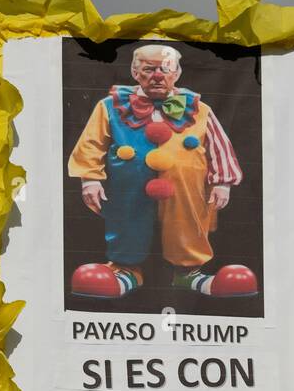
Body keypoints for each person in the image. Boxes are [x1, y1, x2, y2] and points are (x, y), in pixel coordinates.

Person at [67, 43, 257, 299]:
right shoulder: (110, 106)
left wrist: (223, 182)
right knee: (126, 221)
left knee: (188, 222)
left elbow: (219, 145)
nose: (157, 76)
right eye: (149, 69)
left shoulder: (199, 109)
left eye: (165, 69)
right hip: (128, 188)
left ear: (177, 73)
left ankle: (188, 273)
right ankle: (126, 269)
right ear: (135, 72)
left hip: (187, 189)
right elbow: (91, 142)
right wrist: (90, 178)